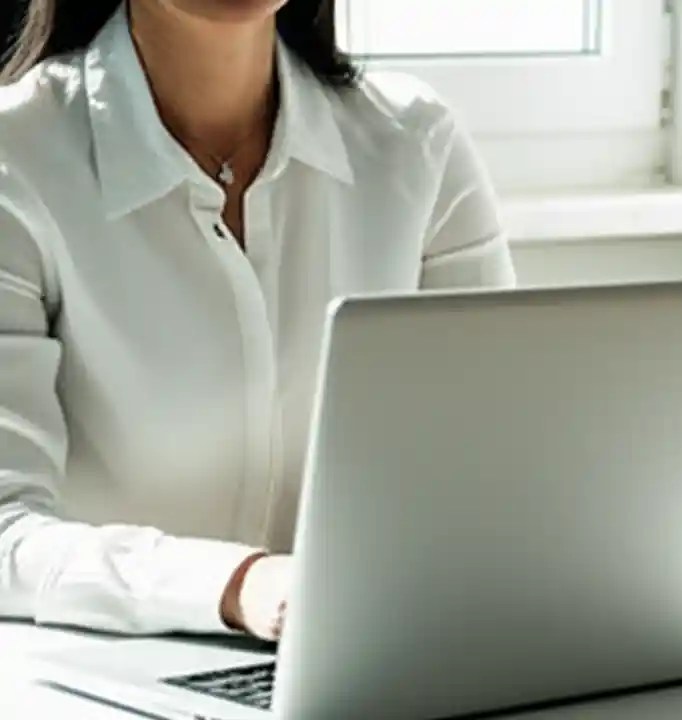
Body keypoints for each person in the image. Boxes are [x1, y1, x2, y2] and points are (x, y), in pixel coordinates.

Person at [0, 0, 516, 641]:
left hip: (372, 661)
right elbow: (5, 535)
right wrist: (240, 584)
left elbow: (494, 479)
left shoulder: (416, 144)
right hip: (93, 682)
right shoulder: (15, 161)